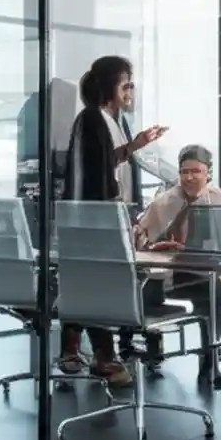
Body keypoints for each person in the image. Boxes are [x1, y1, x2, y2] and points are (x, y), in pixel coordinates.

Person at [59, 56, 167, 387]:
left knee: (95, 284)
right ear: (110, 87)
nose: (131, 90)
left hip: (104, 216)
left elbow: (107, 161)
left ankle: (86, 351)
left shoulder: (108, 120)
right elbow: (95, 176)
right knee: (97, 284)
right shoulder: (91, 118)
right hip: (95, 220)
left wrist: (134, 146)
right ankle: (98, 354)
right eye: (126, 84)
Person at [132, 145, 221, 374]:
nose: (189, 177)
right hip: (160, 273)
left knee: (213, 291)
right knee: (144, 292)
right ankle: (152, 344)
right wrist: (153, 246)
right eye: (184, 172)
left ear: (208, 172)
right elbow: (139, 239)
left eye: (196, 171)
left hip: (197, 272)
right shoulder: (163, 202)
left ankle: (210, 353)